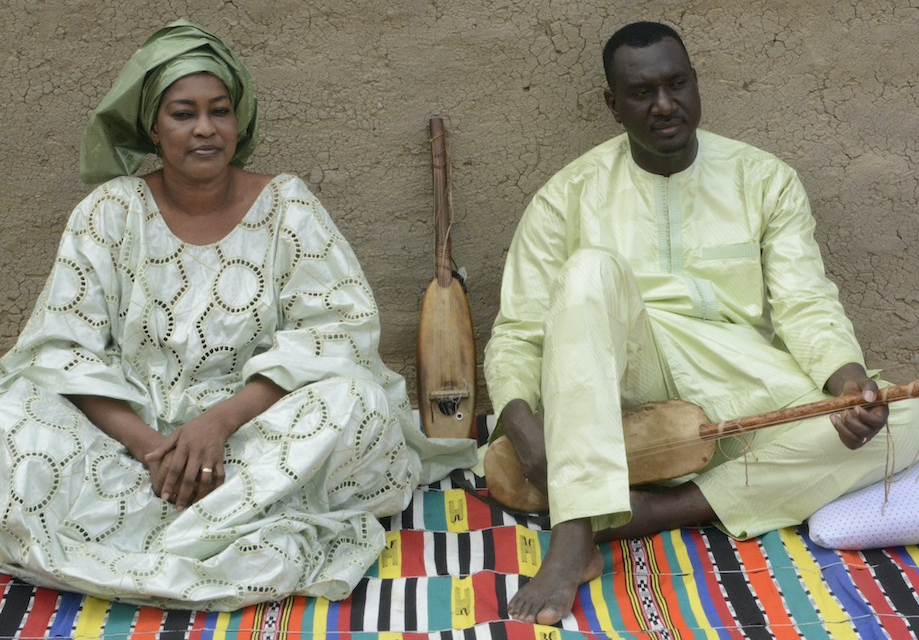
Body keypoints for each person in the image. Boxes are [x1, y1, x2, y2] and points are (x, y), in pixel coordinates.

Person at [0, 20, 476, 610]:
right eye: (183, 113)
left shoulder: (287, 206)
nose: (205, 128)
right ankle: (215, 523)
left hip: (256, 430)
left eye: (219, 110)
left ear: (238, 119)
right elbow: (60, 351)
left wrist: (219, 424)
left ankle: (164, 531)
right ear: (153, 124)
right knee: (12, 412)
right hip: (131, 438)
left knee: (359, 404)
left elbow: (339, 333)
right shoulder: (110, 212)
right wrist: (155, 449)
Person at [483, 21, 919, 625]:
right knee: (587, 272)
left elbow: (805, 302)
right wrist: (520, 423)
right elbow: (519, 330)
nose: (665, 105)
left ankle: (655, 511)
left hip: (735, 376)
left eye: (678, 84)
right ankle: (575, 528)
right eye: (642, 93)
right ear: (613, 105)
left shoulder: (765, 180)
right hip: (619, 384)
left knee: (904, 417)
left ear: (695, 83)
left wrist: (846, 387)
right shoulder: (568, 195)